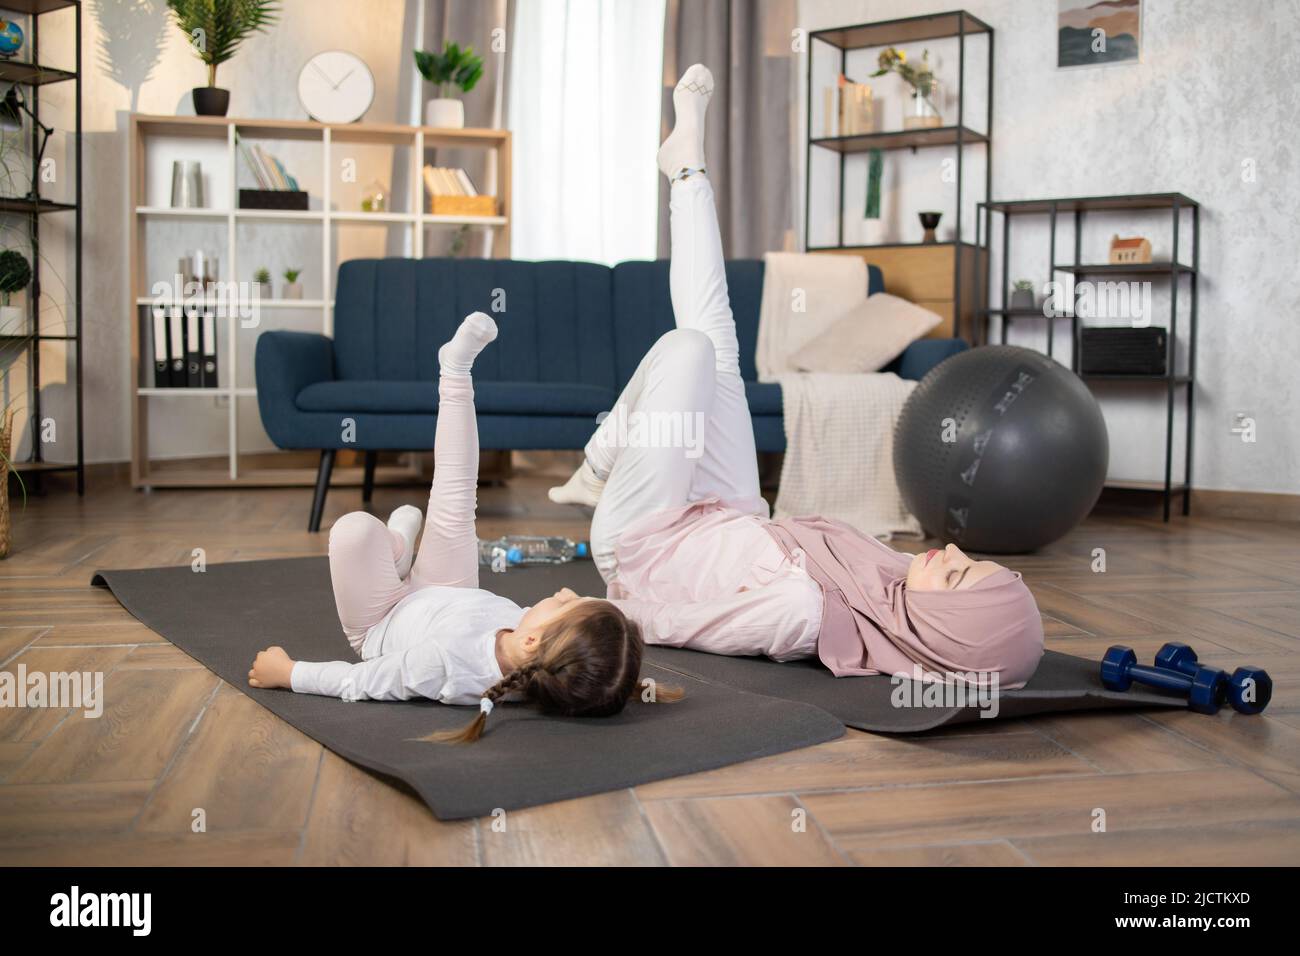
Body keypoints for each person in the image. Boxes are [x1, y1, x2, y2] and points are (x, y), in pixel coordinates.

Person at [546, 64, 1045, 689]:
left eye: (956, 577)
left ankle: (598, 466)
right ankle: (686, 168)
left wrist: (604, 610)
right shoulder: (891, 584)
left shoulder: (805, 616)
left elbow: (681, 624)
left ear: (941, 628)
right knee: (714, 340)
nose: (953, 553)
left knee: (687, 350)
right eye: (971, 563)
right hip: (730, 513)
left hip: (645, 545)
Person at [247, 311, 679, 743]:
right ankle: (455, 368)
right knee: (456, 487)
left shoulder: (443, 665)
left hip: (381, 619)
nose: (565, 590)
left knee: (354, 530)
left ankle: (396, 550)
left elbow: (359, 682)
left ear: (531, 643)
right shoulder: (538, 648)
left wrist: (288, 673)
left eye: (567, 603)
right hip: (450, 590)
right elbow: (598, 664)